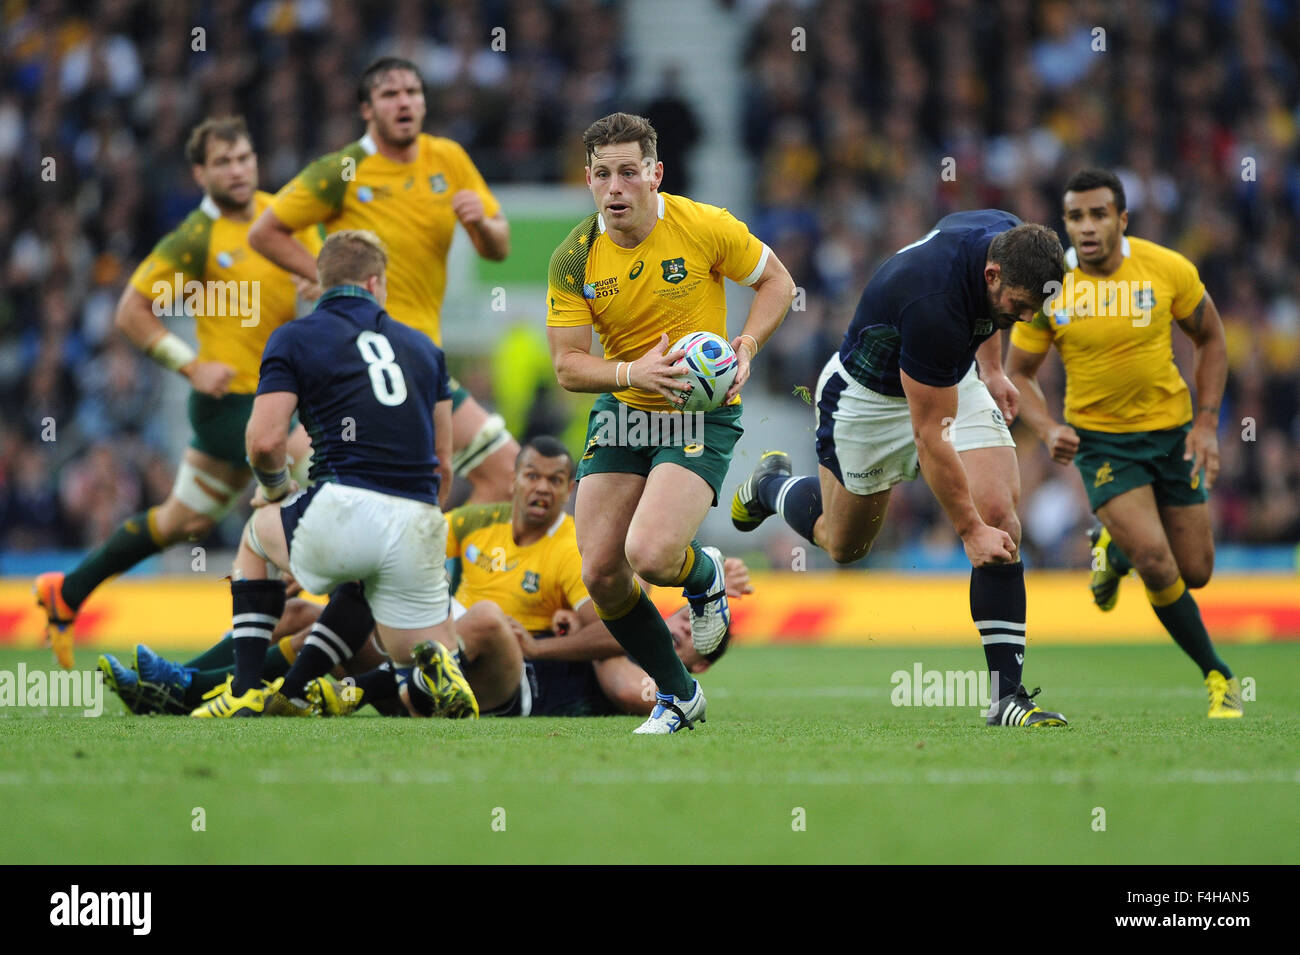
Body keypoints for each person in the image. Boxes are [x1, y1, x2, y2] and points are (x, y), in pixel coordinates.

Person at [99, 437, 751, 718]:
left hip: (498, 667)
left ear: (570, 488)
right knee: (301, 614)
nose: (544, 490)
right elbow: (406, 555)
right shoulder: (474, 521)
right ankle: (183, 686)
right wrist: (303, 576)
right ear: (515, 476)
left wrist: (553, 637)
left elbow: (606, 627)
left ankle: (355, 688)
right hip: (434, 637)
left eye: (558, 481)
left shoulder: (571, 550)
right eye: (533, 476)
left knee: (485, 621)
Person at [733, 210, 1070, 727]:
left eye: (1034, 309)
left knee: (1001, 518)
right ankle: (772, 485)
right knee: (844, 545)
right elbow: (931, 436)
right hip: (867, 400)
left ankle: (1007, 697)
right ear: (991, 275)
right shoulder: (933, 303)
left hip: (948, 379)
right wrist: (967, 530)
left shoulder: (1008, 239)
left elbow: (989, 314)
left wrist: (994, 368)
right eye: (1019, 307)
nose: (1025, 318)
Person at [34, 116, 319, 670]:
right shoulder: (194, 240)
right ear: (199, 172)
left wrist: (317, 280)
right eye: (222, 163)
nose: (236, 171)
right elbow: (131, 312)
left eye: (243, 159)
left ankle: (66, 591)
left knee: (179, 522)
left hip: (279, 396)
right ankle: (311, 618)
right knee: (315, 471)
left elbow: (322, 275)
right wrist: (188, 365)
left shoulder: (281, 214)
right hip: (231, 404)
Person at [546, 112, 794, 733]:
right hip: (626, 411)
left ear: (656, 174)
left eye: (629, 172)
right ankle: (680, 696)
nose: (616, 189)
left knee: (653, 555)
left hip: (698, 414)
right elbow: (569, 366)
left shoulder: (704, 226)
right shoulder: (574, 257)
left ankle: (703, 572)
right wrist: (633, 375)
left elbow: (777, 283)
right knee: (602, 573)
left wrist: (747, 346)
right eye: (603, 175)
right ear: (588, 180)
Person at [190, 229, 476, 719]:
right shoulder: (424, 349)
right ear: (376, 282)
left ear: (322, 282)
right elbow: (444, 464)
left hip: (344, 509)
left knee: (256, 536)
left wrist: (275, 493)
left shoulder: (295, 337)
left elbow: (263, 442)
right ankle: (434, 667)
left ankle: (245, 687)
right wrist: (420, 516)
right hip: (420, 520)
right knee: (411, 648)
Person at [1006, 168, 1240, 718]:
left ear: (1122, 219)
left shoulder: (1167, 269)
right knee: (1158, 561)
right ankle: (1218, 673)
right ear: (1064, 223)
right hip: (1103, 446)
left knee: (1197, 571)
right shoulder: (1052, 285)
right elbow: (1019, 372)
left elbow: (1212, 338)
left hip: (1172, 436)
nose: (1086, 228)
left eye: (1098, 215)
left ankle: (1112, 551)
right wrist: (1046, 428)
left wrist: (1206, 424)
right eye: (1075, 217)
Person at [248, 56, 519, 505]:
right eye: (389, 94)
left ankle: (437, 574)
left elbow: (499, 247)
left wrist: (484, 227)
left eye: (413, 92)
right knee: (390, 490)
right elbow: (265, 231)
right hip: (366, 358)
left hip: (423, 357)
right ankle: (290, 516)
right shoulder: (343, 169)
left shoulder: (448, 159)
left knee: (505, 474)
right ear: (367, 110)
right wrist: (326, 276)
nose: (404, 102)